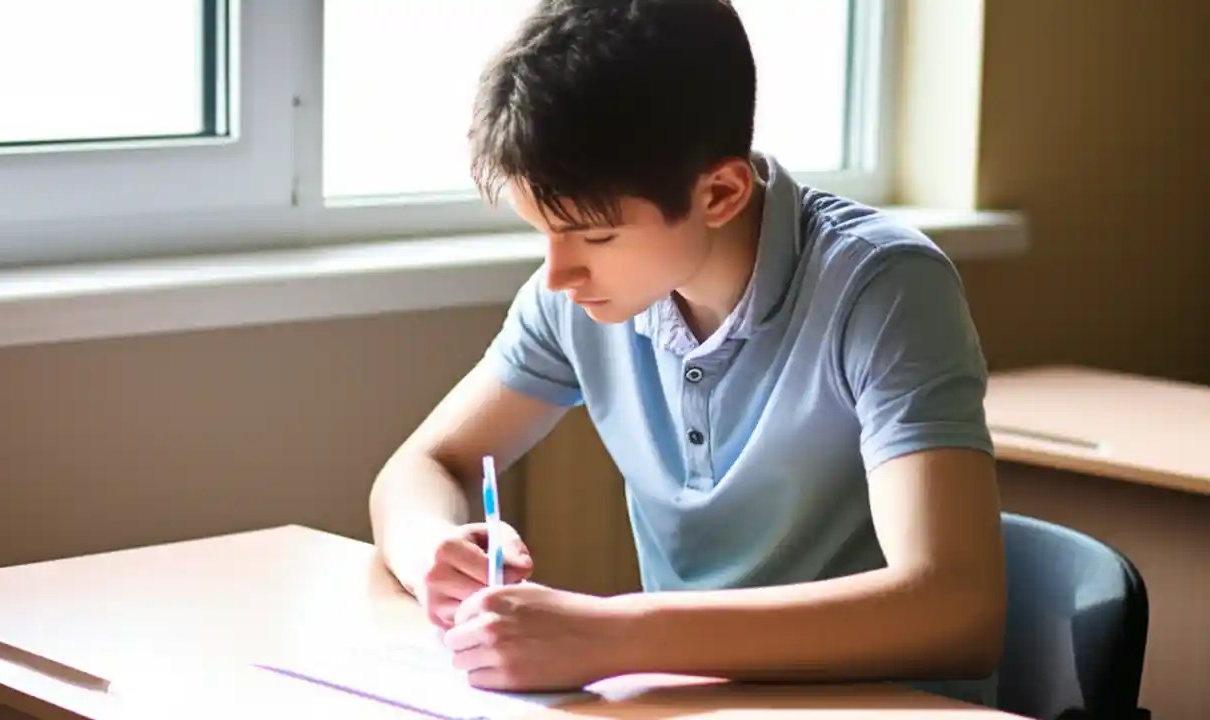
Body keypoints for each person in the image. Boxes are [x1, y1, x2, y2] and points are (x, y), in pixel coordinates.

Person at [369, 0, 1005, 705]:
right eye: (541, 231)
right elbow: (424, 464)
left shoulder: (884, 288)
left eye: (595, 236)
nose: (558, 274)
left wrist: (615, 635)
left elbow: (954, 608)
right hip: (688, 701)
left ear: (721, 192)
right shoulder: (577, 297)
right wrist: (430, 547)